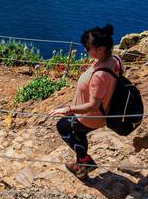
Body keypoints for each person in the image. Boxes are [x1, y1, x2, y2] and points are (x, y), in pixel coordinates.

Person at [48, 24, 123, 176]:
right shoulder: (116, 60)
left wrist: (67, 109)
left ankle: (84, 160)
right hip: (103, 113)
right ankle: (81, 167)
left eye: (88, 47)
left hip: (90, 117)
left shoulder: (99, 76)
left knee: (62, 126)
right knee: (79, 134)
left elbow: (93, 105)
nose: (85, 50)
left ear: (101, 49)